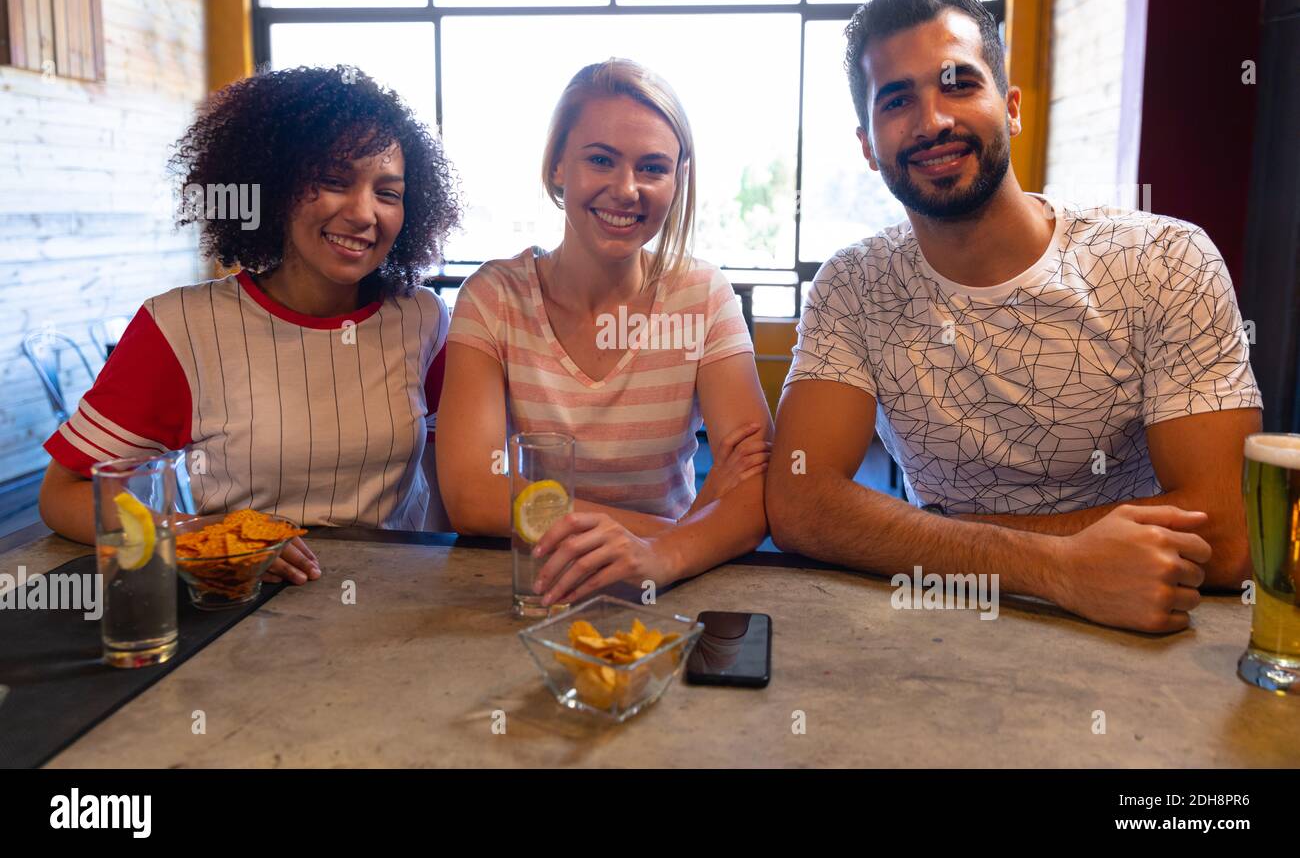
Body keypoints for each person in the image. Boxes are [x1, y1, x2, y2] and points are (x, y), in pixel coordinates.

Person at [767, 0, 1263, 633]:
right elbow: (800, 503)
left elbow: (1227, 536)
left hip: (1143, 626)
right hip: (943, 627)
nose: (933, 121)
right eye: (897, 100)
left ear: (1013, 105)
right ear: (868, 145)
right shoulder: (854, 285)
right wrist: (1056, 566)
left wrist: (926, 538)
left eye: (959, 84)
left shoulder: (1165, 260)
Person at [38, 65, 461, 584]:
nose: (363, 212)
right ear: (275, 187)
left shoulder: (423, 319)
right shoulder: (179, 327)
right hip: (241, 604)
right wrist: (191, 534)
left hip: (394, 602)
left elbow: (452, 476)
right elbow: (65, 492)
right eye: (333, 181)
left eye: (388, 193)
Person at [437, 59, 771, 607]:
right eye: (600, 160)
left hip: (670, 586)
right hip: (529, 585)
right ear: (558, 167)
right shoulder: (494, 297)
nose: (626, 189)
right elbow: (473, 496)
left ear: (676, 180)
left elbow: (758, 485)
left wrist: (662, 558)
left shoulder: (703, 294)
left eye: (653, 168)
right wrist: (678, 532)